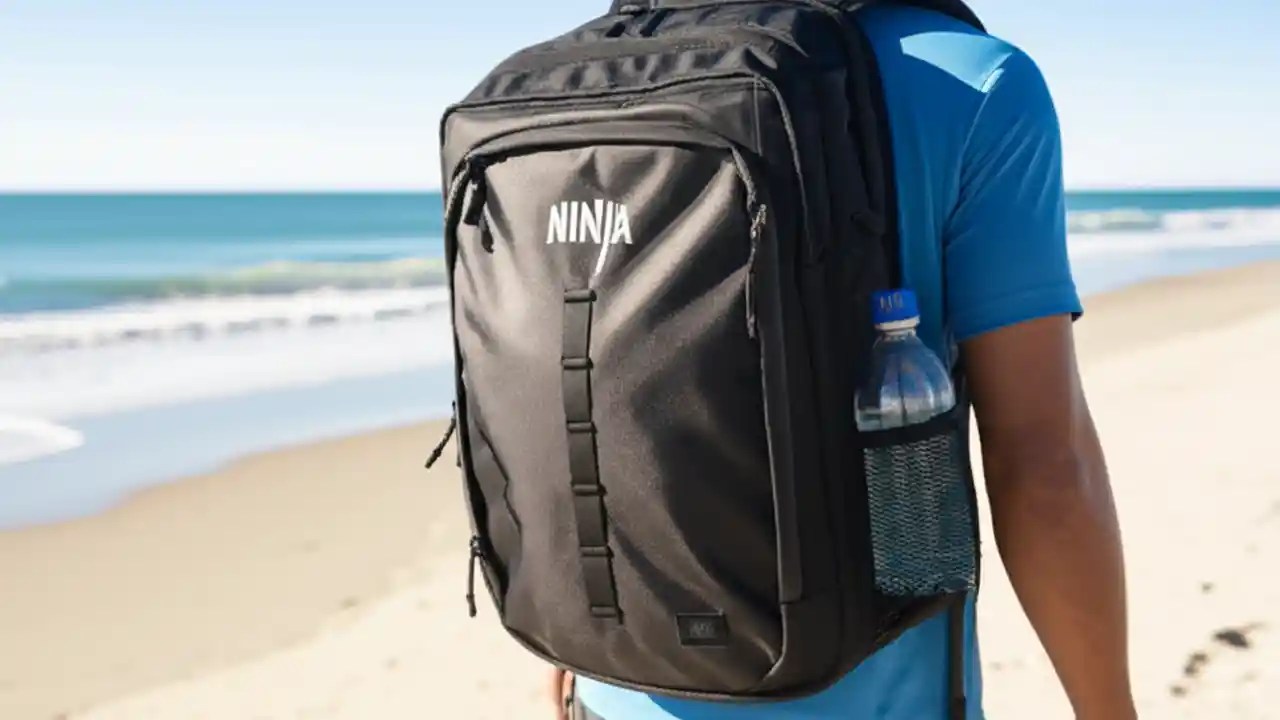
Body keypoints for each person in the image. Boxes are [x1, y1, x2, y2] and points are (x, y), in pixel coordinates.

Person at [552, 4, 1136, 719]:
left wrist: (571, 641)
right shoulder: (973, 81)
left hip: (615, 687)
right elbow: (1044, 464)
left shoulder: (593, 78)